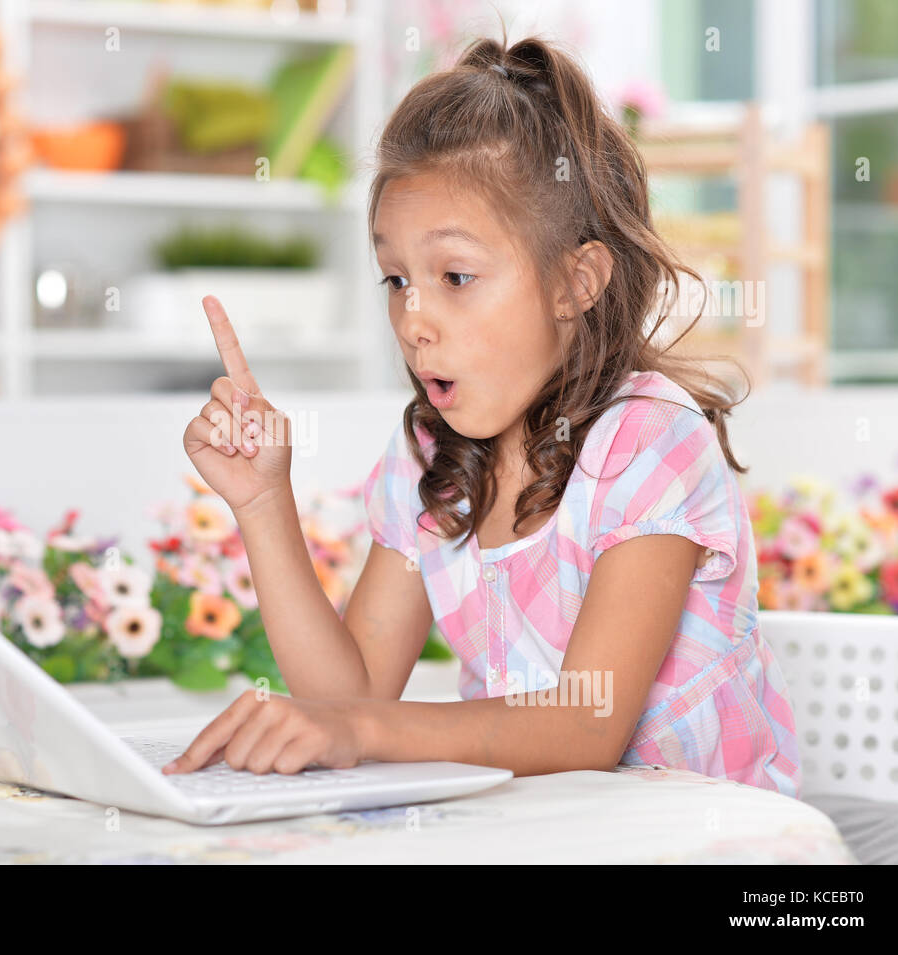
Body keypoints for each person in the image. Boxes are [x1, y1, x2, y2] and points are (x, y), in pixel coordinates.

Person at [168, 29, 800, 800]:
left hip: (708, 838)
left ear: (578, 282)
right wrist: (264, 502)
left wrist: (361, 730)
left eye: (455, 275)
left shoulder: (650, 444)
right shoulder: (430, 458)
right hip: (541, 834)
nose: (413, 318)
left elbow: (585, 724)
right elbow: (354, 693)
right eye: (396, 279)